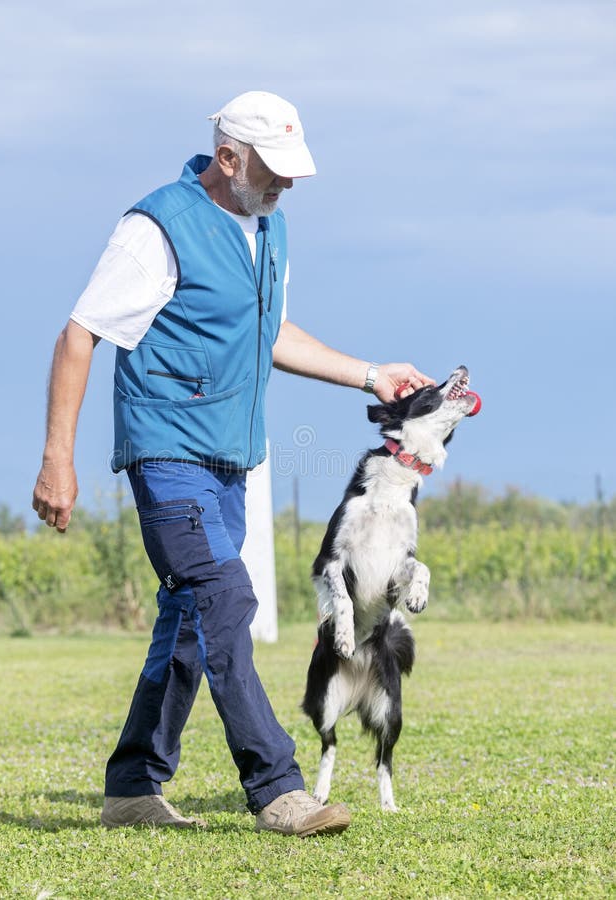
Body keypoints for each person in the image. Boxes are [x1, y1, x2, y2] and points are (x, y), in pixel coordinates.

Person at [32, 90, 434, 837]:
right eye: (272, 169)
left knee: (188, 623)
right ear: (227, 157)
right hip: (167, 455)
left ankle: (132, 786)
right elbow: (78, 334)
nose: (286, 184)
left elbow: (269, 334)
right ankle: (277, 787)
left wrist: (371, 374)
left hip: (229, 463)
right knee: (225, 601)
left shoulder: (268, 229)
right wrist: (58, 459)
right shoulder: (159, 227)